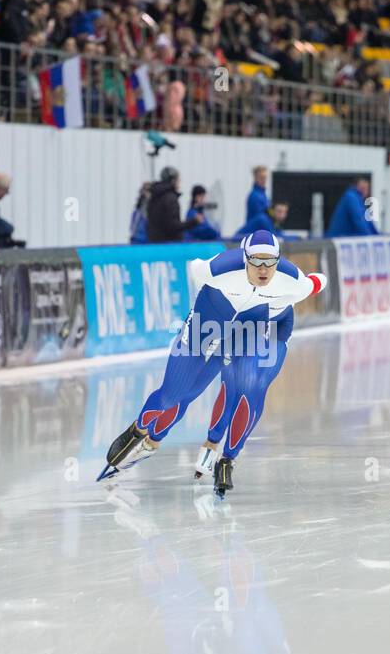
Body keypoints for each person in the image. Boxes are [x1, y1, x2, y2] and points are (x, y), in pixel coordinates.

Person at [99, 230, 329, 497]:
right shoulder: (219, 269)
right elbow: (194, 267)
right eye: (256, 262)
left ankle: (225, 459)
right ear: (244, 259)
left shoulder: (293, 283)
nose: (263, 269)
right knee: (175, 394)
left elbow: (318, 281)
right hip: (209, 322)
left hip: (259, 328)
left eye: (270, 262)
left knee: (250, 385)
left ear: (278, 261)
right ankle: (140, 430)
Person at [146, 166, 206, 243]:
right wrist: (194, 221)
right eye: (178, 179)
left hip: (154, 244)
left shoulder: (154, 197)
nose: (179, 182)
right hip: (170, 245)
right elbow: (173, 226)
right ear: (173, 181)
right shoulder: (170, 198)